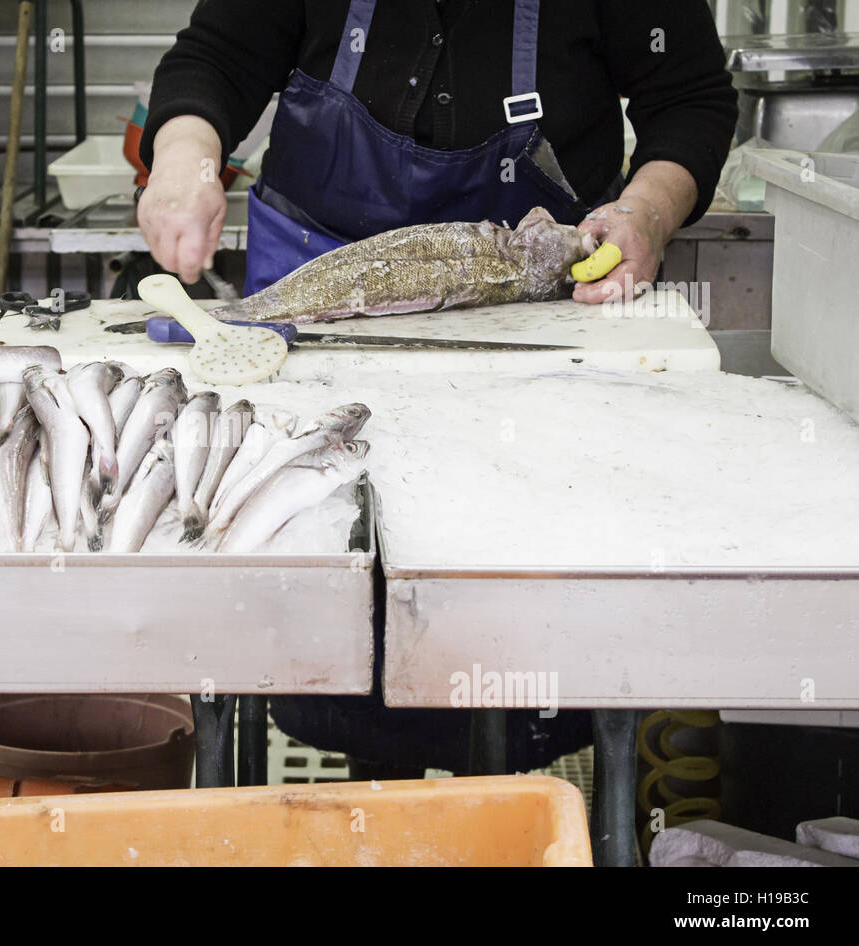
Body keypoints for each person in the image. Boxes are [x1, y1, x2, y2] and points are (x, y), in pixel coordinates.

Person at [137, 0, 737, 777]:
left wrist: (645, 215)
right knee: (326, 572)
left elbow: (689, 98)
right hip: (319, 322)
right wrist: (186, 158)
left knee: (509, 615)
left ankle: (507, 803)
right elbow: (218, 54)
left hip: (532, 333)